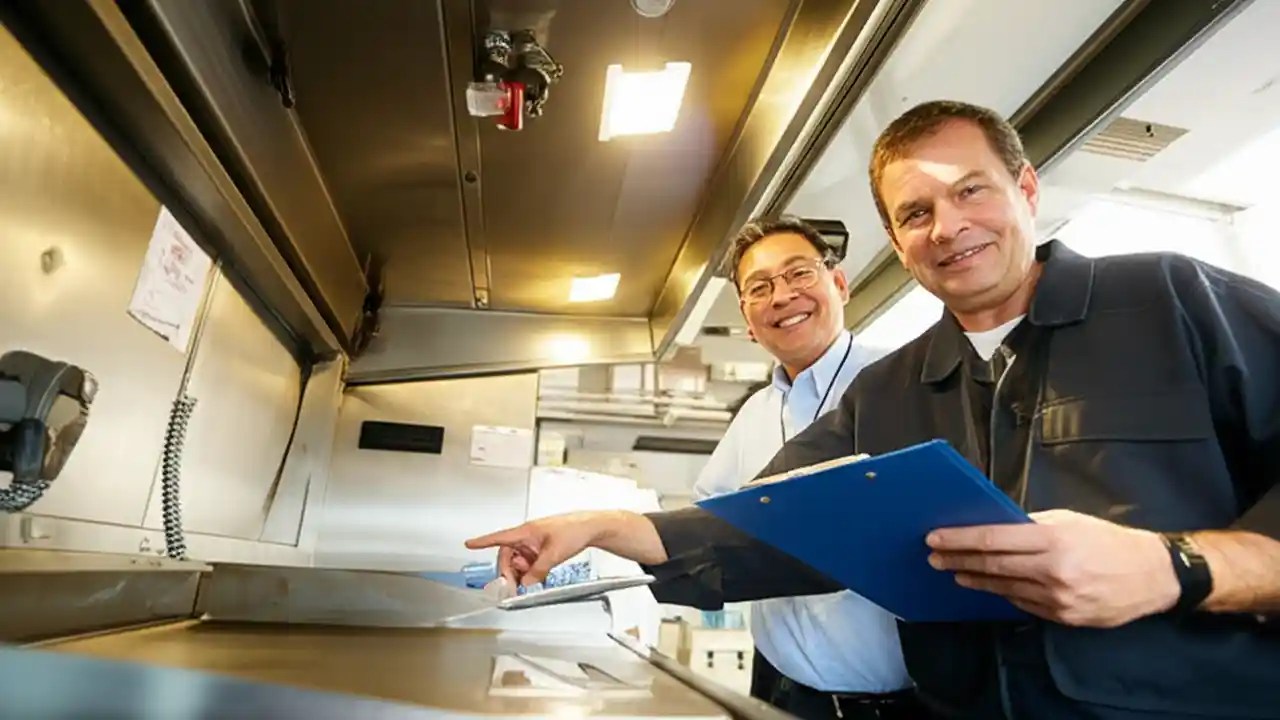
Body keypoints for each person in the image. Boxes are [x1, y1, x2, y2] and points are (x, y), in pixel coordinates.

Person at [467, 100, 1280, 718]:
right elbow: (772, 523)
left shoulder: (1169, 301)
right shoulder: (890, 392)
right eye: (916, 213)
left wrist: (1179, 567)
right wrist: (601, 526)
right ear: (897, 241)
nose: (948, 227)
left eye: (971, 191)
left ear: (1027, 188)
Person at [692, 216, 918, 719]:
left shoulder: (905, 381)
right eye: (760, 287)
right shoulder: (753, 414)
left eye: (799, 273)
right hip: (779, 691)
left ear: (840, 283)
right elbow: (708, 527)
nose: (782, 296)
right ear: (748, 321)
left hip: (902, 706)